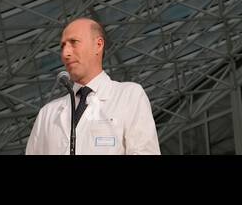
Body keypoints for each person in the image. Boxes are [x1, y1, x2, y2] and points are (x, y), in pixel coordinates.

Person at [25, 18, 159, 155]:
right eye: (62, 46)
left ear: (98, 45)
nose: (65, 54)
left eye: (73, 42)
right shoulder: (47, 114)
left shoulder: (129, 96)